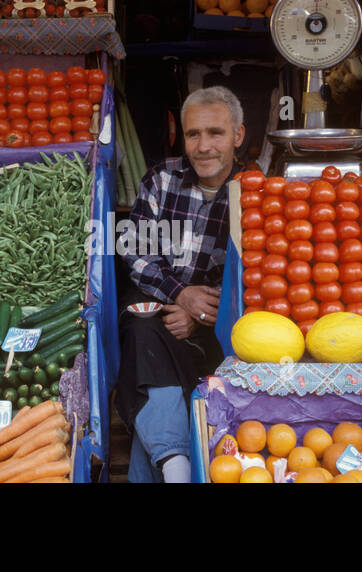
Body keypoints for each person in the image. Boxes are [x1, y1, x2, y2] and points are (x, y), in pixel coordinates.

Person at [117, 86, 246, 483]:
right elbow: (133, 252)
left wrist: (205, 314)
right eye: (193, 134)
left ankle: (170, 464)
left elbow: (256, 276)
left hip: (217, 328)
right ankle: (176, 464)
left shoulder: (254, 188)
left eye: (215, 133)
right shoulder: (162, 178)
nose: (203, 146)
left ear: (237, 136)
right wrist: (181, 295)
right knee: (142, 326)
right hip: (160, 311)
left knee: (155, 354)